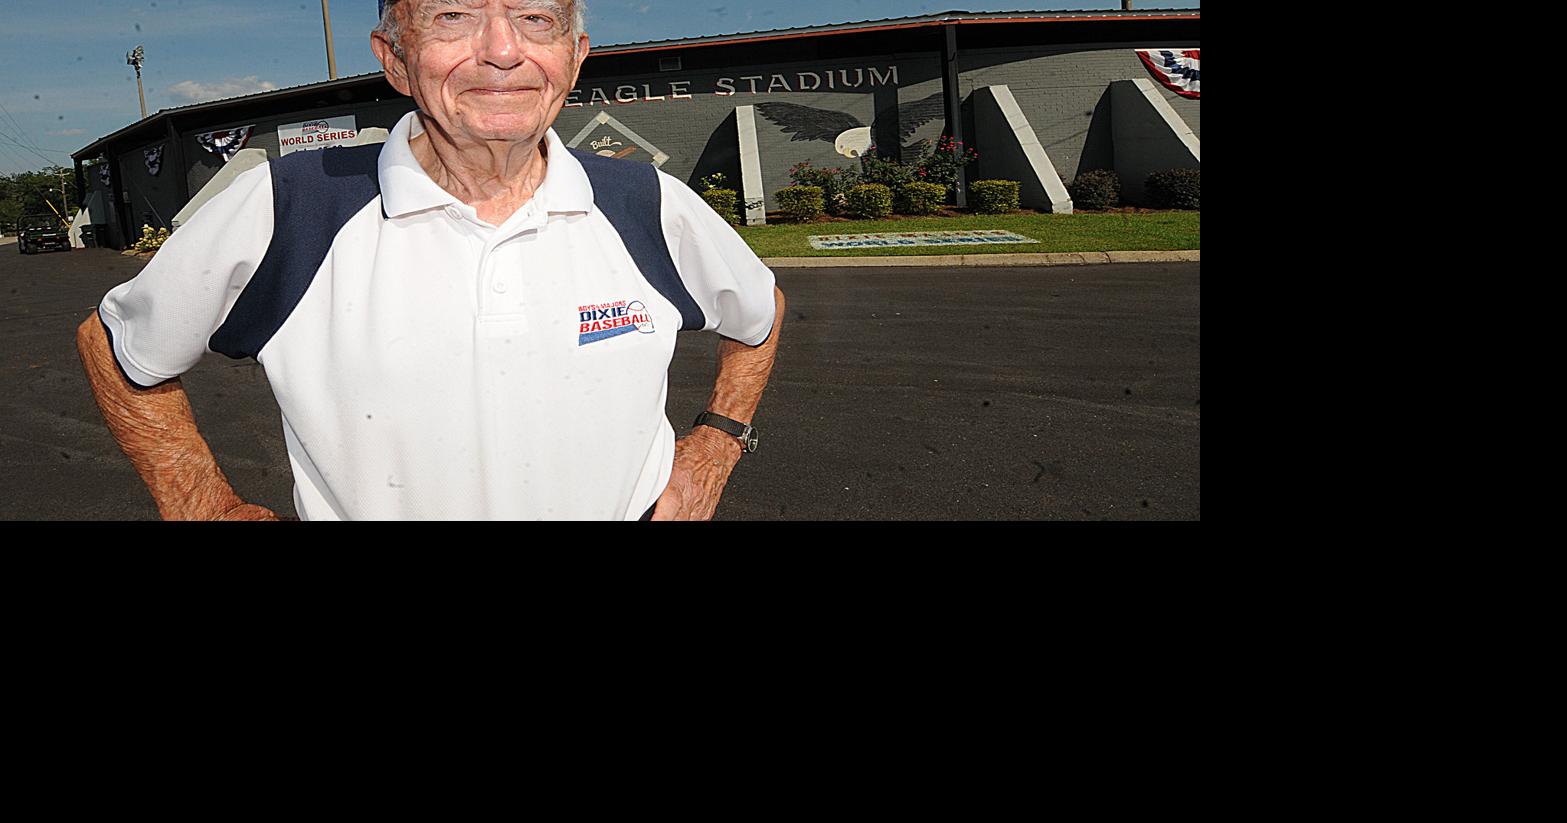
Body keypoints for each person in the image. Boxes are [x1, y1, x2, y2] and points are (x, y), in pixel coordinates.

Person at [74, 0, 784, 520]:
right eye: (453, 17)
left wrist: (717, 443)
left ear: (574, 55)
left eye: (537, 20)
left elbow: (759, 311)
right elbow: (114, 346)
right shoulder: (291, 207)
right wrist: (203, 505)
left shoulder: (644, 202)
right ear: (394, 58)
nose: (502, 50)